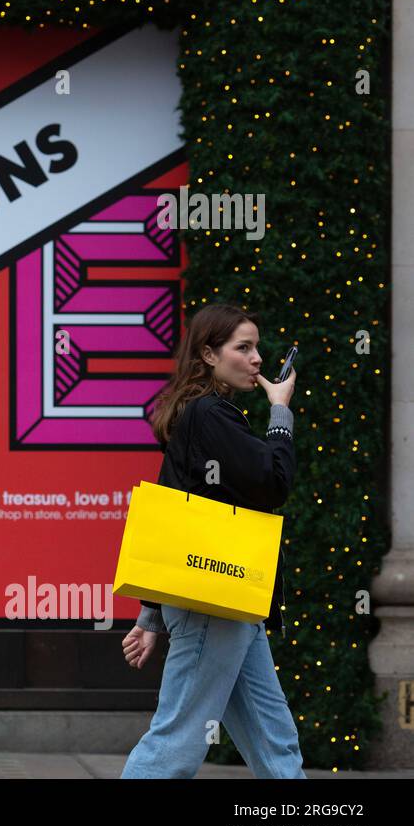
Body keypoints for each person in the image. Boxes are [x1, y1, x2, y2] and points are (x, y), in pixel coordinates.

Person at [120, 303, 304, 778]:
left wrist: (151, 612)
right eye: (243, 348)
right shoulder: (210, 414)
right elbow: (274, 481)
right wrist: (281, 411)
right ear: (208, 353)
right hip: (216, 598)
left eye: (257, 347)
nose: (258, 359)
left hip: (228, 598)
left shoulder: (197, 414)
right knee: (177, 739)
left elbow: (171, 513)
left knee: (274, 738)